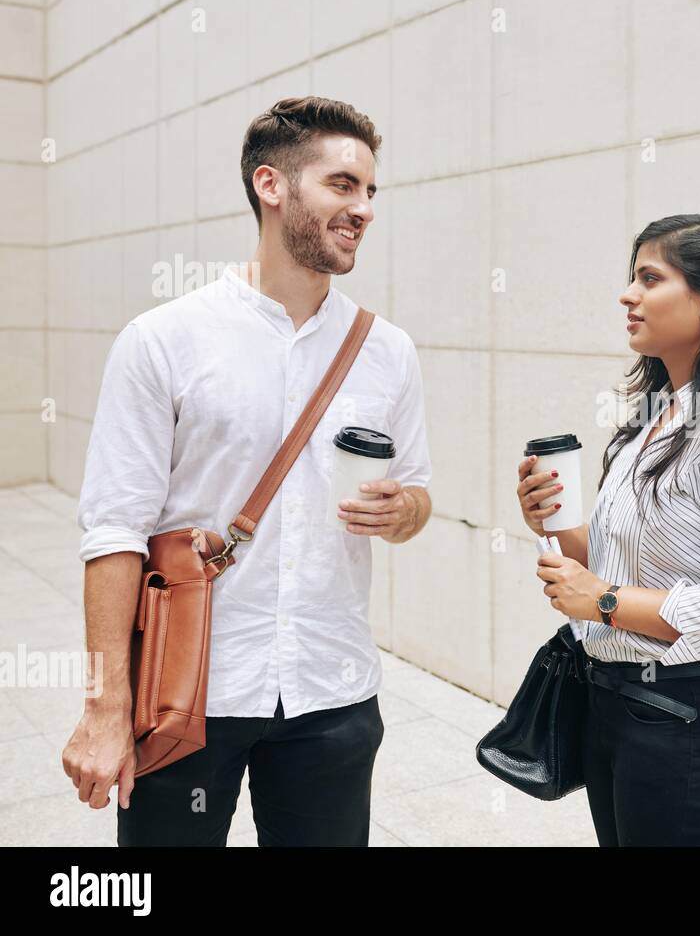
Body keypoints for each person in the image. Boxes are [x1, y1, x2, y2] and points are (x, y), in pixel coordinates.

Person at [62, 96, 433, 846]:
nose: (362, 207)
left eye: (369, 191)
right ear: (272, 186)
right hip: (186, 693)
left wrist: (405, 511)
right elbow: (113, 531)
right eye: (340, 185)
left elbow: (419, 494)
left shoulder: (386, 350)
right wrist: (105, 708)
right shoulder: (163, 340)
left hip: (332, 693)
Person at [516, 214, 700, 846]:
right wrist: (556, 523)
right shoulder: (662, 418)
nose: (628, 295)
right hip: (616, 705)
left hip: (688, 719)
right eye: (632, 278)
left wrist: (600, 601)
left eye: (650, 279)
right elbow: (618, 565)